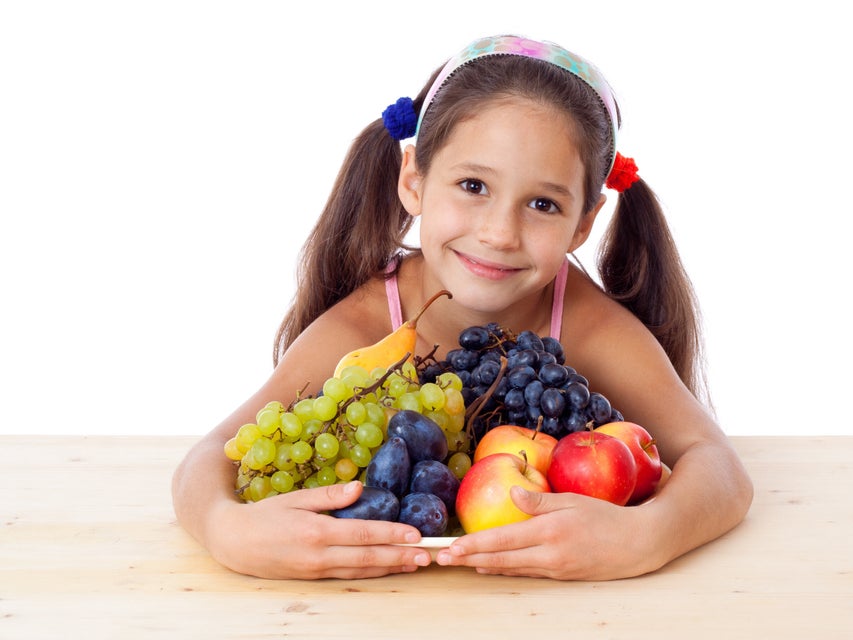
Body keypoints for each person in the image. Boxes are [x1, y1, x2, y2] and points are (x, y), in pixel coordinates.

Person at [172, 34, 753, 581]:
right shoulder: (368, 324)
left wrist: (643, 538)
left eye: (544, 204)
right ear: (414, 180)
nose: (500, 234)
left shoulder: (587, 324)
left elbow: (720, 468)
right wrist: (228, 531)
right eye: (473, 186)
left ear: (584, 223)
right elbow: (206, 462)